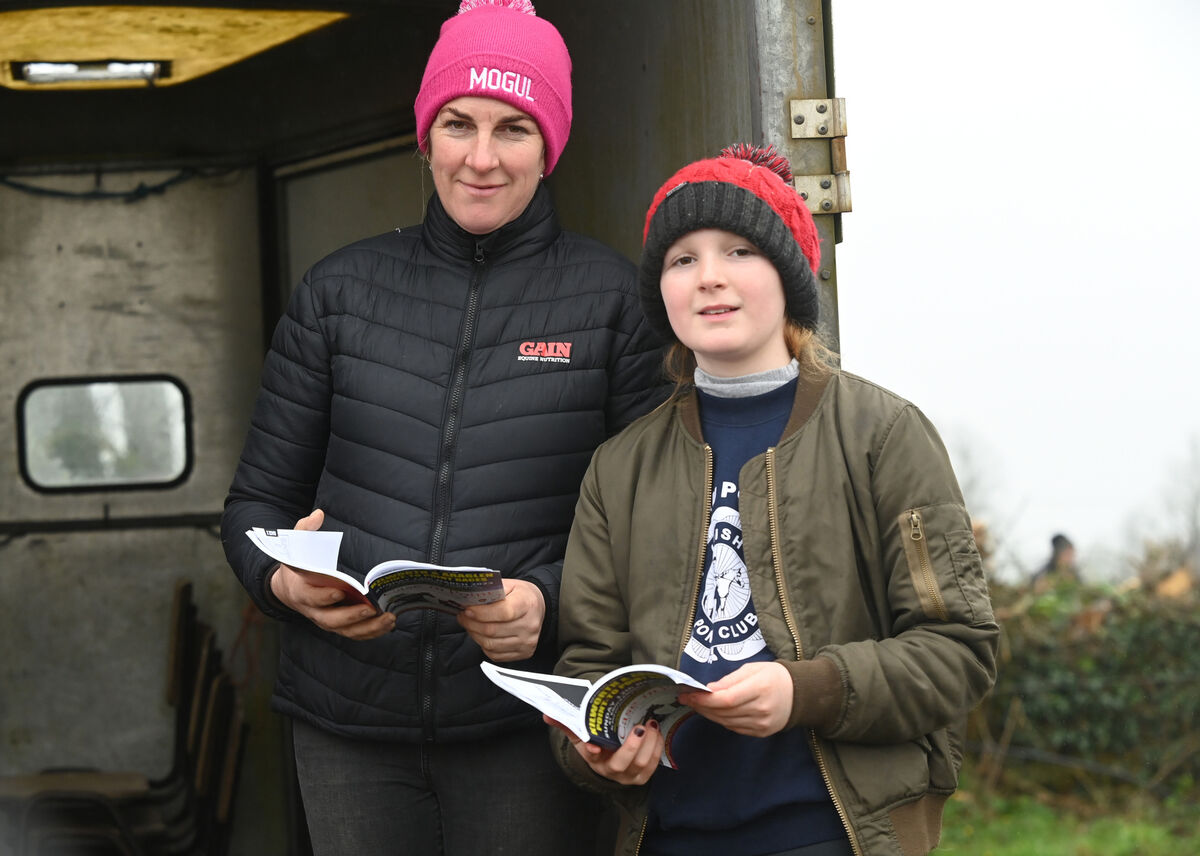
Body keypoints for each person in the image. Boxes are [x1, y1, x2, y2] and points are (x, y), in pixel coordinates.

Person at [219, 1, 666, 853]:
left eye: (514, 128)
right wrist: (283, 586)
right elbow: (254, 506)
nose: (482, 157)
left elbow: (658, 534)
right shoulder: (337, 293)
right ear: (425, 135)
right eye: (458, 123)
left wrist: (550, 601)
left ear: (553, 144)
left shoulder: (614, 305)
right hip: (345, 725)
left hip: (525, 724)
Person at [550, 144, 1000, 856]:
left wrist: (807, 691)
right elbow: (587, 661)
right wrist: (593, 748)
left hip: (834, 835)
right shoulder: (619, 467)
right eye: (682, 259)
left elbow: (959, 651)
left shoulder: (884, 435)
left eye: (739, 251)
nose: (711, 279)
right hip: (669, 836)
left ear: (789, 273)